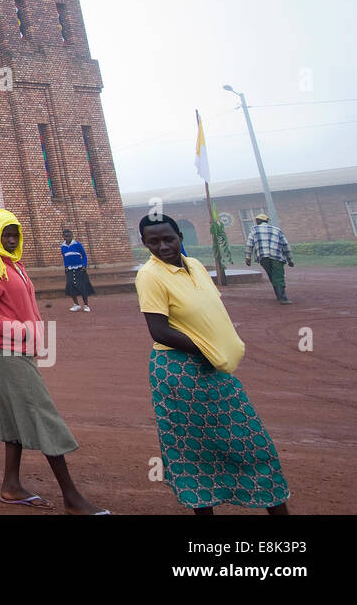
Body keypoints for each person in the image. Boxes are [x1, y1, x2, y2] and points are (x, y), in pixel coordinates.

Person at [137, 214, 290, 514]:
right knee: (194, 450)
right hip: (179, 372)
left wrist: (222, 348)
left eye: (168, 238)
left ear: (180, 235)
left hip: (215, 368)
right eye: (153, 242)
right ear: (144, 244)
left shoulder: (194, 266)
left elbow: (211, 311)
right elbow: (159, 330)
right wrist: (209, 349)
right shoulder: (149, 275)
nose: (163, 246)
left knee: (251, 442)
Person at [0, 209, 107, 515]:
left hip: (20, 349)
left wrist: (30, 336)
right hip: (6, 350)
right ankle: (71, 496)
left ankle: (10, 486)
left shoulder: (13, 264)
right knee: (42, 414)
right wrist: (16, 330)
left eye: (15, 233)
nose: (12, 238)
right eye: (6, 233)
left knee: (13, 418)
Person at [245, 213, 295, 304]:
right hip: (277, 256)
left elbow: (249, 244)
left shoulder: (254, 230)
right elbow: (285, 245)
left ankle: (279, 295)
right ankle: (283, 298)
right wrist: (290, 260)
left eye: (256, 220)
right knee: (278, 275)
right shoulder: (277, 230)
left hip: (263, 257)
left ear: (259, 221)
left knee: (271, 275)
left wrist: (248, 257)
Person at [60, 228, 95, 312]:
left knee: (83, 286)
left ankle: (86, 305)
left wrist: (84, 265)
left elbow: (84, 255)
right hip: (70, 269)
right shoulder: (63, 246)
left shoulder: (77, 244)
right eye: (66, 236)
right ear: (63, 237)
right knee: (70, 286)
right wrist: (66, 266)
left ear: (72, 236)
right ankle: (76, 304)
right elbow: (64, 257)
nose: (68, 238)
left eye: (69, 236)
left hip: (79, 268)